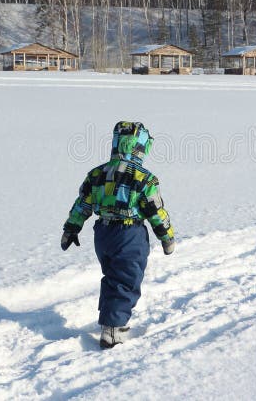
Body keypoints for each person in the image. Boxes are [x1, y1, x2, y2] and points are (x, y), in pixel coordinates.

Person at [61, 121, 175, 349]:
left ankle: (109, 318)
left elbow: (83, 203)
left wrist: (71, 228)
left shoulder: (97, 174)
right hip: (129, 233)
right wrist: (166, 236)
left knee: (113, 275)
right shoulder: (144, 178)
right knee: (126, 278)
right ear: (140, 147)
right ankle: (112, 329)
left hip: (102, 234)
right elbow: (155, 211)